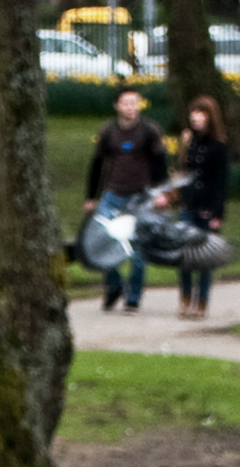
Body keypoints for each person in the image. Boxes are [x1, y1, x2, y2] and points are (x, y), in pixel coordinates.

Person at [82, 89, 169, 314]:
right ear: (117, 106)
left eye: (134, 103)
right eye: (126, 103)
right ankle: (114, 285)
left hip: (140, 196)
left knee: (138, 247)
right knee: (102, 241)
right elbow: (97, 165)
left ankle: (134, 295)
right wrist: (91, 197)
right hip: (113, 194)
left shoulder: (149, 132)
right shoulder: (109, 132)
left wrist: (160, 193)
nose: (131, 107)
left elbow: (160, 163)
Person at [170, 94, 232, 320]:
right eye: (193, 113)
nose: (195, 118)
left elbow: (220, 182)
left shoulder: (218, 147)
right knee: (185, 255)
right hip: (189, 203)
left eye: (201, 113)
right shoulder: (191, 141)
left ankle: (202, 300)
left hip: (207, 205)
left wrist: (217, 213)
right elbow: (184, 170)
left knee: (205, 258)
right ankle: (185, 297)